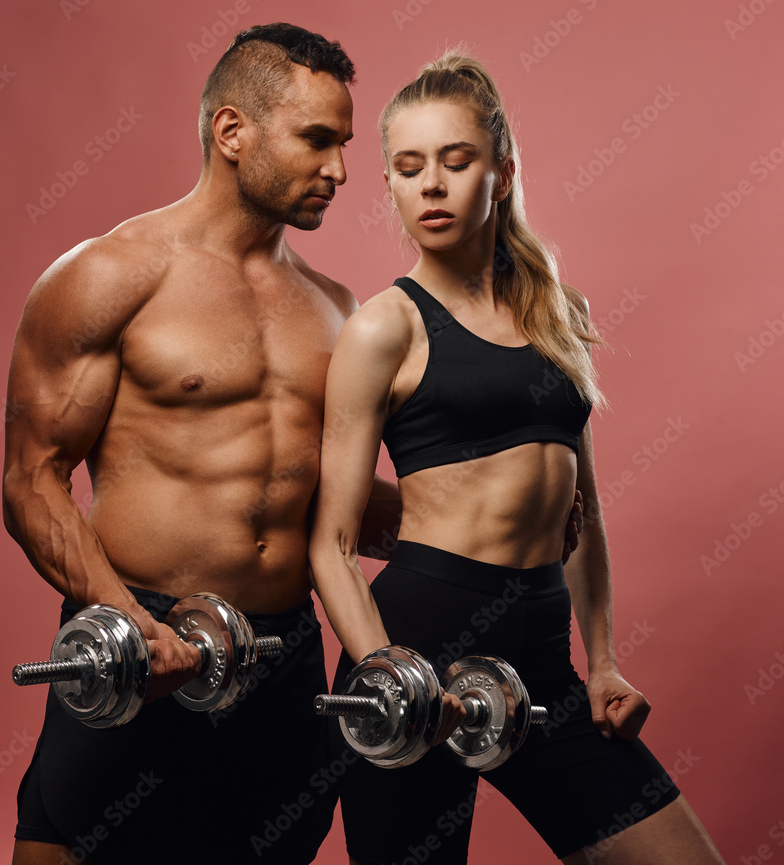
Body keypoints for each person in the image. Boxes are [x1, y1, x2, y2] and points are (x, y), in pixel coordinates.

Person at [308, 53, 728, 864]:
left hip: (541, 650)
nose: (431, 184)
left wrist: (601, 659)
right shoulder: (384, 328)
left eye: (455, 162)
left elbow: (585, 512)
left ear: (502, 171)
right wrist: (389, 674)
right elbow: (331, 540)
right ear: (390, 184)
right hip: (419, 639)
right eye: (407, 167)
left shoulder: (555, 312)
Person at [1, 23, 369, 864]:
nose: (341, 171)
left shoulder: (338, 310)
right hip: (138, 636)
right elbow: (32, 480)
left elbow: (330, 496)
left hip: (281, 655)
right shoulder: (110, 275)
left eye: (343, 144)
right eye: (316, 140)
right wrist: (130, 625)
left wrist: (487, 505)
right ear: (232, 131)